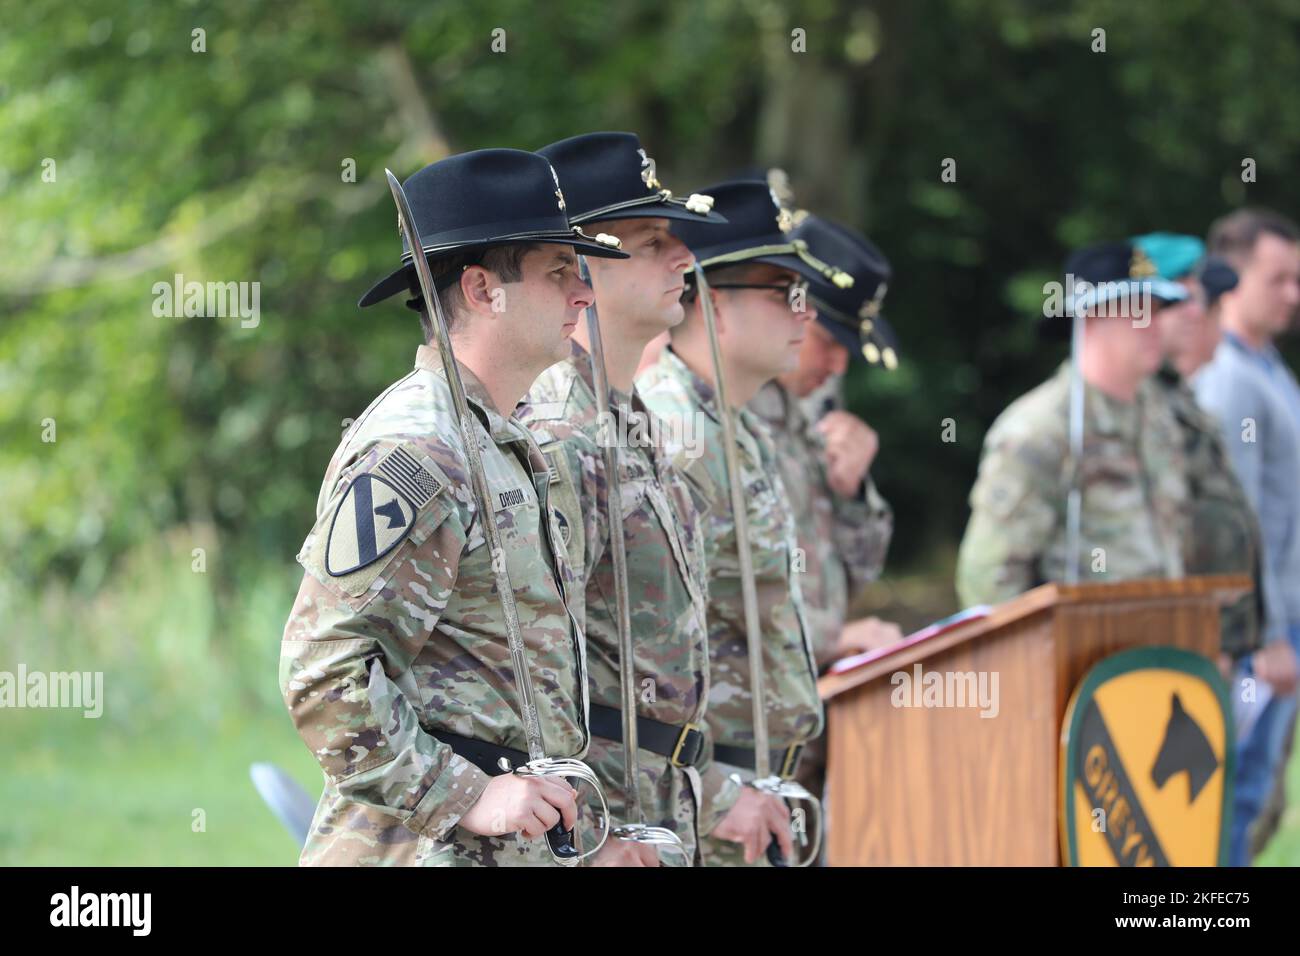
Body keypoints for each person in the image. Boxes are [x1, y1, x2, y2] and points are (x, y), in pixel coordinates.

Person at [279, 148, 633, 866]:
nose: (584, 295)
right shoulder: (418, 449)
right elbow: (321, 668)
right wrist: (464, 795)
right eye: (558, 272)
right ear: (481, 289)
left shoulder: (501, 440)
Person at [518, 132, 791, 865]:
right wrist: (583, 835)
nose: (684, 259)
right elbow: (527, 674)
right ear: (581, 264)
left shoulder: (627, 417)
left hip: (657, 802)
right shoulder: (554, 432)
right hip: (602, 815)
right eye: (651, 241)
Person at [638, 179, 855, 865]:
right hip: (709, 801)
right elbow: (634, 652)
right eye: (784, 293)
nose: (805, 314)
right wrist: (709, 790)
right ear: (711, 302)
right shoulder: (672, 435)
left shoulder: (736, 430)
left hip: (754, 791)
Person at [746, 214, 905, 814]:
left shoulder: (802, 420)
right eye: (831, 341)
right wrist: (835, 638)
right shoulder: (713, 421)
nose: (839, 366)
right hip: (743, 741)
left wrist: (851, 491)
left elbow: (854, 574)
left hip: (808, 726)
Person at [956, 240, 1191, 606]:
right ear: (1091, 318)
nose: (1153, 326)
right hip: (1081, 655)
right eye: (1137, 311)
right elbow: (989, 583)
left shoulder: (1159, 418)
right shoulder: (1039, 430)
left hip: (1160, 649)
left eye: (1158, 311)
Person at [1193, 208, 1300, 865]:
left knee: (1256, 792)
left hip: (1284, 618)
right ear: (1231, 279)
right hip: (1264, 631)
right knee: (1231, 791)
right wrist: (1265, 637)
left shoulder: (1269, 367)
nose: (1293, 294)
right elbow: (1241, 519)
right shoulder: (1231, 379)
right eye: (1278, 279)